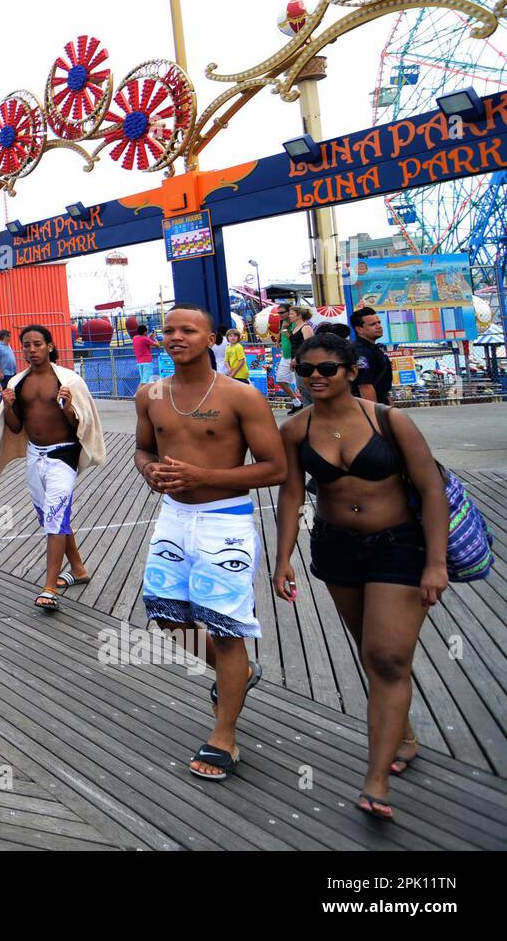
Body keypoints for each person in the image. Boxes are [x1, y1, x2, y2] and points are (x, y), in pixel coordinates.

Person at [273, 332, 447, 820]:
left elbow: (430, 489)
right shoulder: (295, 429)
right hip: (336, 547)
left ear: (351, 371)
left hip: (399, 545)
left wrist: (436, 562)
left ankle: (376, 784)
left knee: (387, 656)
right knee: (372, 653)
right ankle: (404, 734)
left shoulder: (391, 421)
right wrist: (282, 557)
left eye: (327, 369)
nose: (315, 378)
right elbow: (291, 496)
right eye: (306, 370)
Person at [133, 304, 287, 782]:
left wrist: (203, 474)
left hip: (225, 521)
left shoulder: (241, 397)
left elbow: (275, 467)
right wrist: (149, 471)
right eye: (169, 330)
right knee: (165, 613)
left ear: (210, 337)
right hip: (174, 518)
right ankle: (236, 674)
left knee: (225, 626)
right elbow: (142, 449)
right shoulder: (150, 394)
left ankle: (225, 736)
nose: (176, 337)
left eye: (188, 330)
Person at [0, 325, 106, 612]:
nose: (31, 350)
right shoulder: (18, 383)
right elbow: (16, 427)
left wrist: (68, 408)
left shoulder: (69, 381)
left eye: (37, 344)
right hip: (35, 455)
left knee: (55, 516)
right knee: (51, 518)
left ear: (50, 346)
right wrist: (7, 406)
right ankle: (78, 569)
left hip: (63, 456)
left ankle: (49, 588)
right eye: (26, 345)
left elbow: (82, 425)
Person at [350, 306, 393, 405]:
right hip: (368, 407)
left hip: (381, 402)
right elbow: (365, 387)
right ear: (359, 329)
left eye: (379, 322)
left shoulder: (373, 348)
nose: (378, 326)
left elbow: (384, 389)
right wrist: (374, 415)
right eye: (373, 324)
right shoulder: (361, 352)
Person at [272, 305, 304, 413]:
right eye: (279, 313)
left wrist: (285, 328)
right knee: (280, 380)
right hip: (285, 356)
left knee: (301, 382)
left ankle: (307, 403)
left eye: (282, 313)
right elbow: (281, 333)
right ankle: (297, 402)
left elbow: (294, 339)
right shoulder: (283, 322)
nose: (280, 315)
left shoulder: (295, 323)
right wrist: (277, 342)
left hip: (294, 356)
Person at [0, 330, 17, 395]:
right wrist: (0, 373)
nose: (10, 338)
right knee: (6, 391)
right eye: (9, 336)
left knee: (12, 390)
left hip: (12, 372)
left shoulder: (8, 345)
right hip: (5, 374)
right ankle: (1, 404)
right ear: (5, 337)